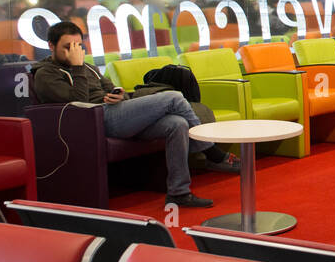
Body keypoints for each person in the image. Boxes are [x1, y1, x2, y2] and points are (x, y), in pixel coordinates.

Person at [31, 22, 238, 208]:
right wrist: (77, 68)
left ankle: (178, 192)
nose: (74, 52)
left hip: (113, 113)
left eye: (78, 47)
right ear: (51, 46)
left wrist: (116, 95)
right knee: (173, 97)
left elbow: (108, 87)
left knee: (177, 124)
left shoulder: (89, 68)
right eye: (68, 47)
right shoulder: (45, 74)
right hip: (91, 122)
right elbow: (78, 104)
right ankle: (211, 153)